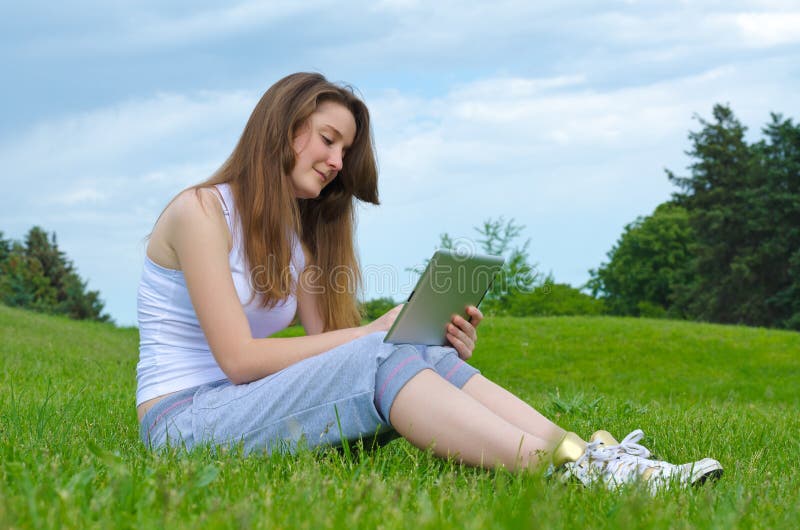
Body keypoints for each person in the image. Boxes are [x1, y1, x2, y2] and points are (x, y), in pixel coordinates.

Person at [136, 72, 722, 492]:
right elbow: (239, 361)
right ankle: (565, 471)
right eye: (328, 139)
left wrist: (420, 340)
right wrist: (380, 332)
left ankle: (592, 454)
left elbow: (335, 358)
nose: (338, 161)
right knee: (378, 348)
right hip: (185, 420)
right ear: (282, 129)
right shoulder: (200, 212)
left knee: (397, 349)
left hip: (249, 407)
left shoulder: (301, 236)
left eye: (346, 149)